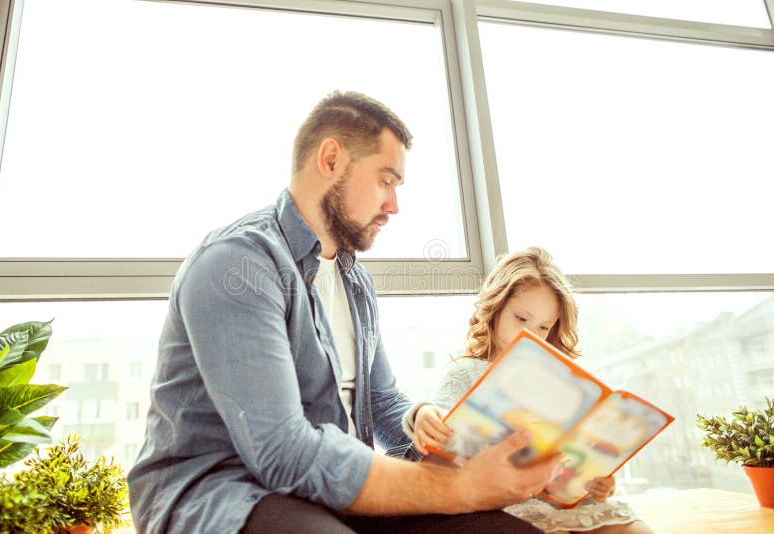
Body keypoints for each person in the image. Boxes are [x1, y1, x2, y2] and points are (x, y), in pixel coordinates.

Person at [128, 91, 563, 533]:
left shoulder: (355, 281)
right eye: (386, 180)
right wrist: (461, 488)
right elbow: (283, 453)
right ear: (332, 159)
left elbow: (380, 398)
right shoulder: (238, 265)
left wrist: (424, 423)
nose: (394, 205)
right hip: (223, 494)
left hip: (328, 492)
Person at [404, 247, 654, 533]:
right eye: (521, 319)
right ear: (495, 310)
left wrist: (598, 481)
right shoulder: (468, 372)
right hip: (509, 500)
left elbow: (576, 453)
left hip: (562, 499)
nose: (530, 335)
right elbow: (440, 421)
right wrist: (424, 414)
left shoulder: (560, 383)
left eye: (544, 326)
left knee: (634, 529)